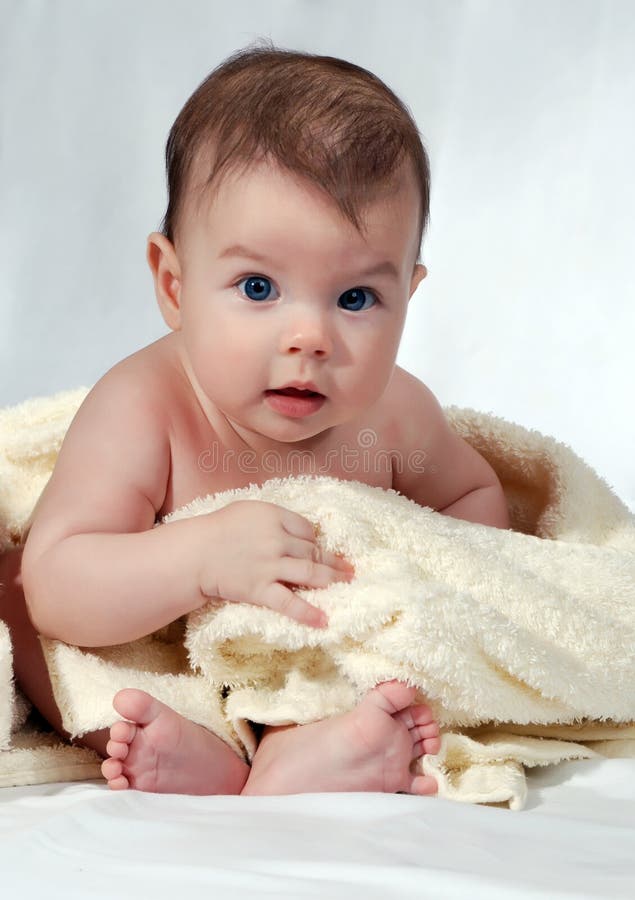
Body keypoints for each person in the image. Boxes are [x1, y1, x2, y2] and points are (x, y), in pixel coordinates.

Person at [7, 44, 510, 797]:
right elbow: (59, 579)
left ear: (409, 293)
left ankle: (311, 745)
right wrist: (195, 560)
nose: (308, 337)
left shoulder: (394, 417)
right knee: (20, 604)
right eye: (257, 286)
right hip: (165, 654)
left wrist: (432, 584)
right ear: (174, 285)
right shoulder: (147, 409)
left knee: (406, 658)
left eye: (354, 299)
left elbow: (475, 501)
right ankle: (198, 748)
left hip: (312, 663)